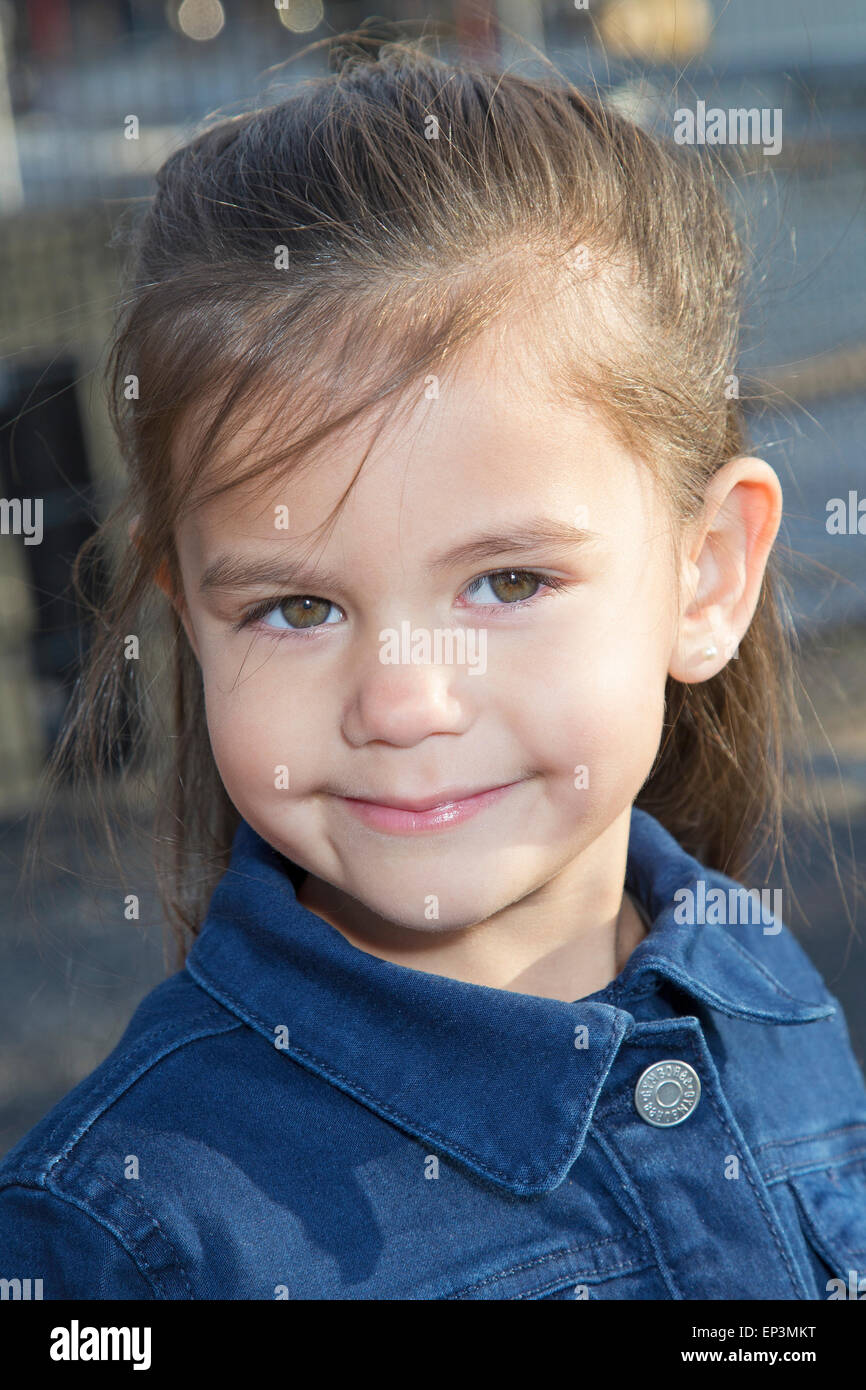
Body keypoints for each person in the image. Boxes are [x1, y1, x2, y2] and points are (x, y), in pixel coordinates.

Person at [1, 32, 864, 1300]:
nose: (402, 700)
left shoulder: (764, 992)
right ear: (188, 610)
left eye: (507, 583)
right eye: (297, 606)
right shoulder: (121, 1240)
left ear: (708, 577)